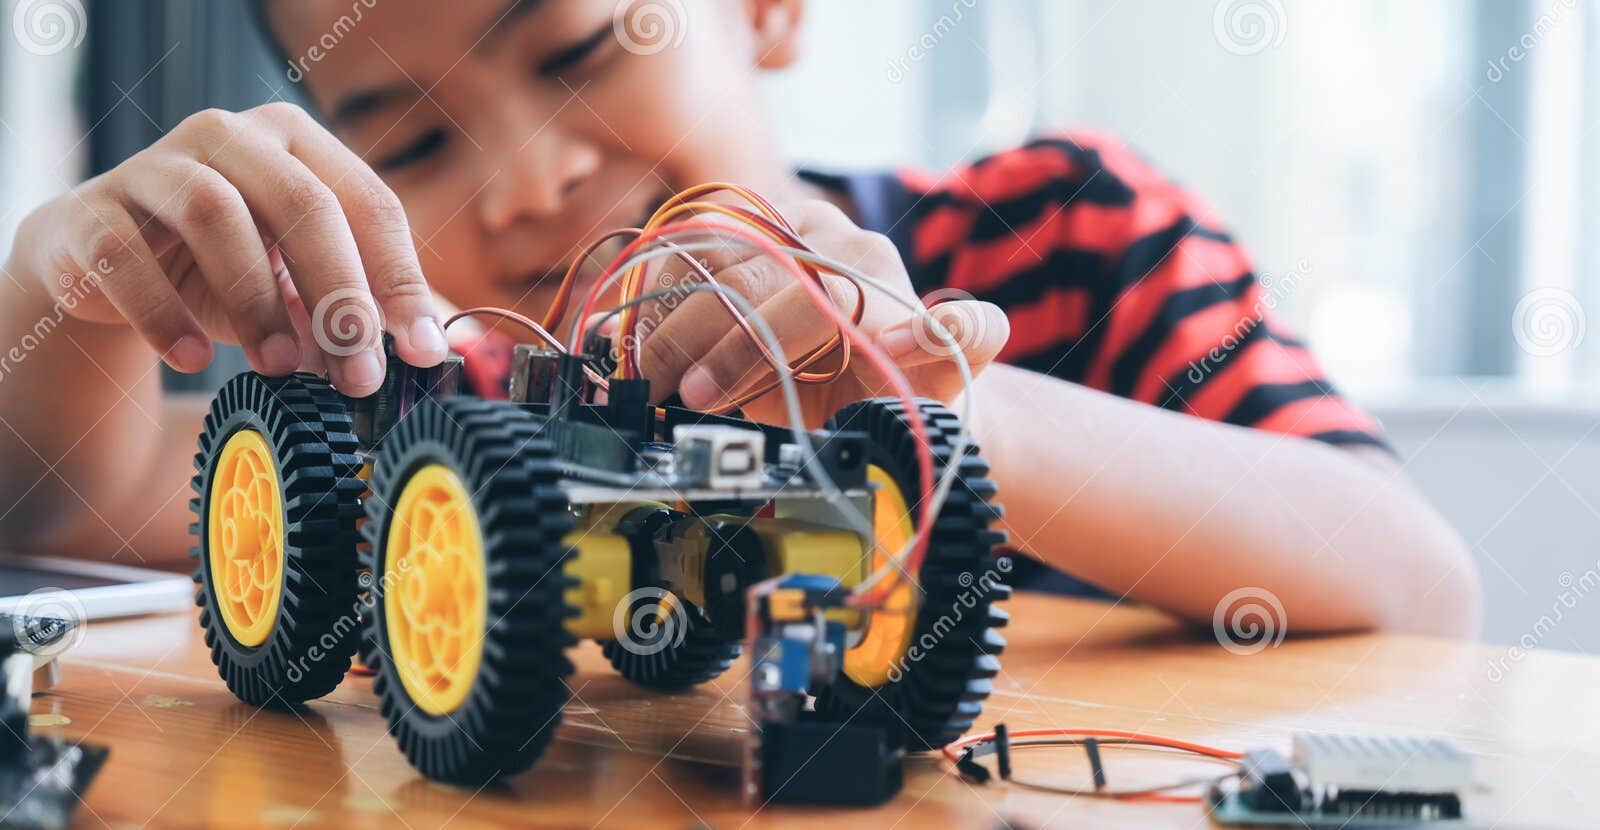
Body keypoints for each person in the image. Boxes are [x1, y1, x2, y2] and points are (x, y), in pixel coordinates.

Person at [0, 0, 1479, 638]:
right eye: (414, 140)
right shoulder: (459, 395)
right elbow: (77, 500)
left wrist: (931, 400)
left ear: (765, 10)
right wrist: (49, 296)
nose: (528, 183)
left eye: (579, 45)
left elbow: (1416, 586)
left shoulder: (1067, 237)